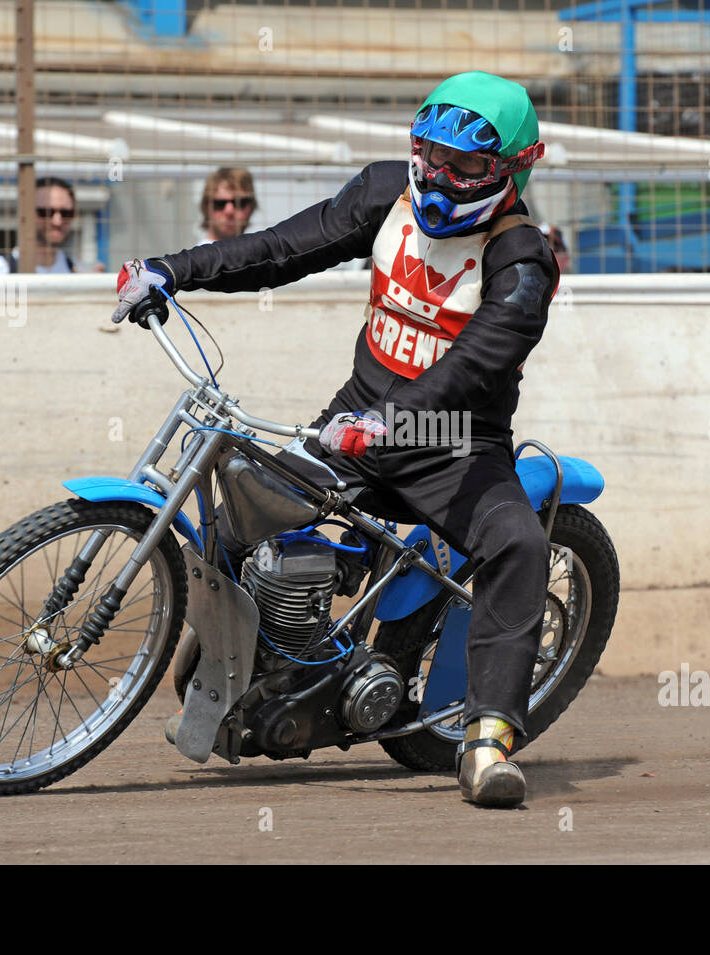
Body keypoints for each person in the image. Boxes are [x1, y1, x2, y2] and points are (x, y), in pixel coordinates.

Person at [113, 71, 558, 808]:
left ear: (514, 166)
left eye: (468, 165)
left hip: (453, 442)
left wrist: (392, 418)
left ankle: (487, 740)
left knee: (519, 545)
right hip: (357, 418)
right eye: (431, 154)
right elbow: (283, 247)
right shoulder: (387, 193)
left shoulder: (521, 261)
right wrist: (171, 270)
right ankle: (276, 669)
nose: (442, 178)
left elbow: (476, 363)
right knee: (241, 516)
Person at [0, 176, 95, 274]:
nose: (57, 221)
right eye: (45, 212)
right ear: (26, 214)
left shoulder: (78, 274)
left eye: (66, 213)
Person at [198, 167, 258, 243]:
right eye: (220, 203)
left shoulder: (262, 253)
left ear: (251, 206)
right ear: (206, 207)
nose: (229, 211)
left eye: (239, 203)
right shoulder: (198, 254)